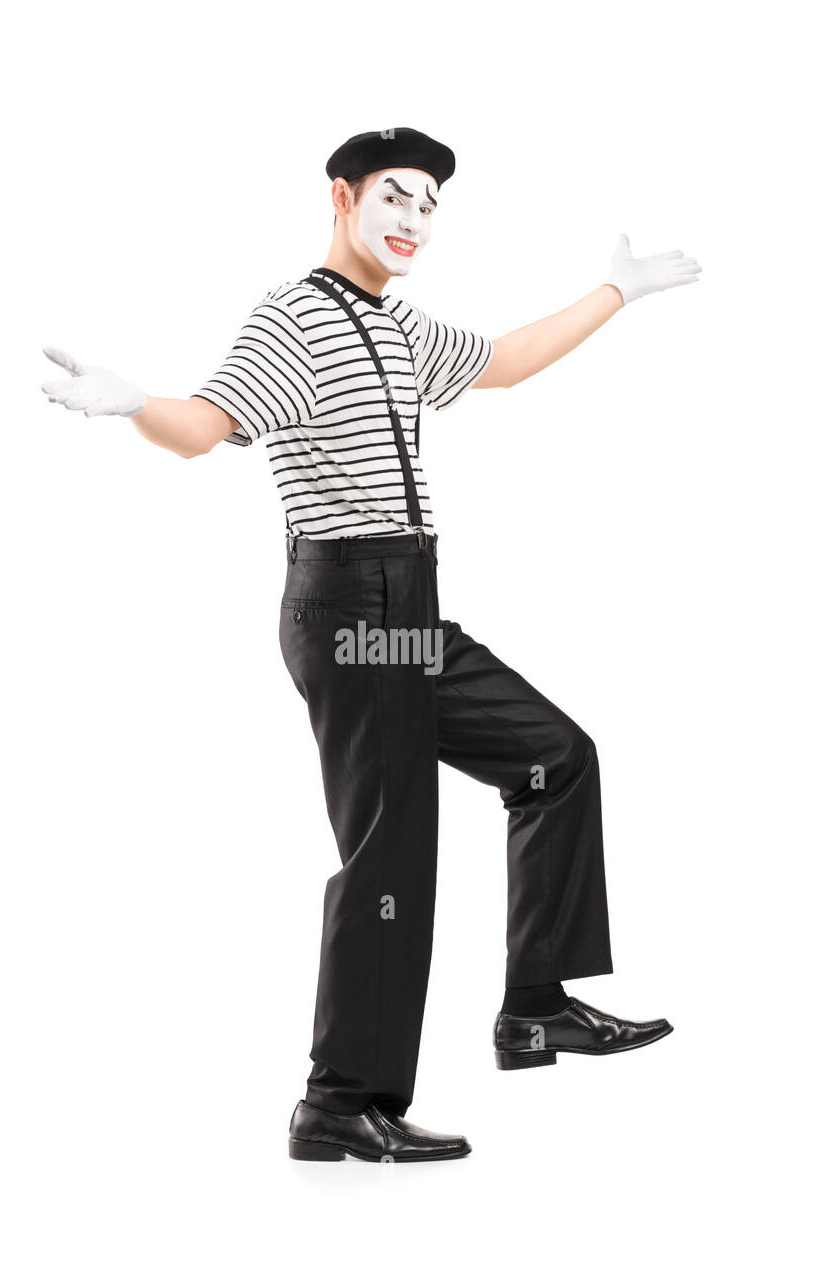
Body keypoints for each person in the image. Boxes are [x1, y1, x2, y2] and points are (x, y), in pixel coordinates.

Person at [41, 127, 701, 1164]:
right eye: (394, 197)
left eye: (430, 204)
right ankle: (341, 1099)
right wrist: (135, 407)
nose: (413, 220)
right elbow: (209, 423)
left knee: (553, 757)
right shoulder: (293, 315)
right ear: (341, 199)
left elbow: (503, 363)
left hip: (407, 603)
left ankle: (534, 1005)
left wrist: (611, 291)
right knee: (390, 851)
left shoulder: (396, 327)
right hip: (351, 607)